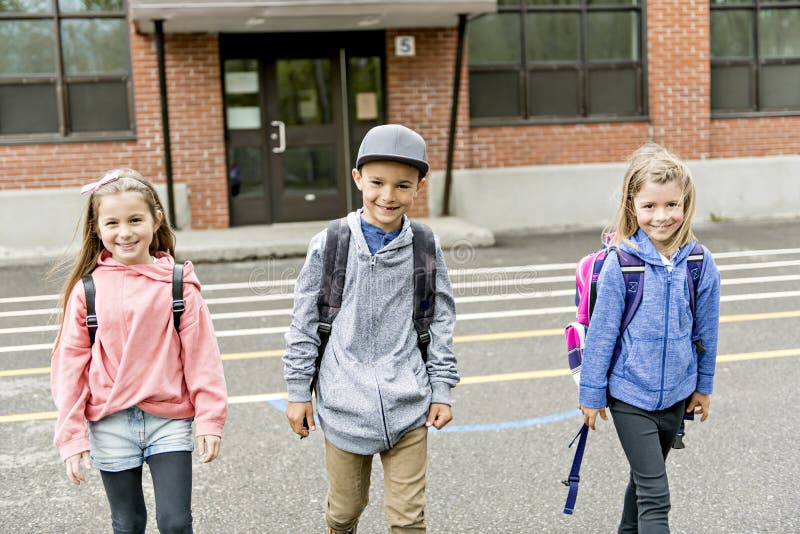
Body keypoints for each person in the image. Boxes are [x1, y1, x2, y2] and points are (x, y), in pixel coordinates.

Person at [283, 124, 460, 534]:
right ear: (357, 177)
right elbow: (304, 320)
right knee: (345, 511)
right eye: (377, 182)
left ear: (419, 186)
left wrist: (441, 389)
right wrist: (297, 391)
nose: (388, 196)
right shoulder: (330, 243)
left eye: (402, 185)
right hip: (343, 404)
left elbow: (441, 318)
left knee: (408, 518)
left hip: (408, 400)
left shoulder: (424, 245)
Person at [50, 168, 228, 534]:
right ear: (97, 229)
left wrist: (210, 417)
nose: (125, 232)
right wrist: (71, 436)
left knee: (176, 523)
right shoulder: (88, 291)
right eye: (112, 223)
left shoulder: (180, 284)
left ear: (156, 219)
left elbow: (202, 357)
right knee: (128, 523)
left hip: (169, 420)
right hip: (111, 422)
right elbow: (69, 367)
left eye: (135, 220)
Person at [578, 143, 721, 533]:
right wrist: (591, 394)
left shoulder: (699, 262)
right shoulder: (620, 264)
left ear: (686, 204)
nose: (662, 216)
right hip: (630, 395)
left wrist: (702, 387)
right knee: (656, 496)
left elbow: (706, 333)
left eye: (672, 205)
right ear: (632, 207)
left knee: (641, 485)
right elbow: (602, 334)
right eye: (650, 207)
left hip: (676, 394)